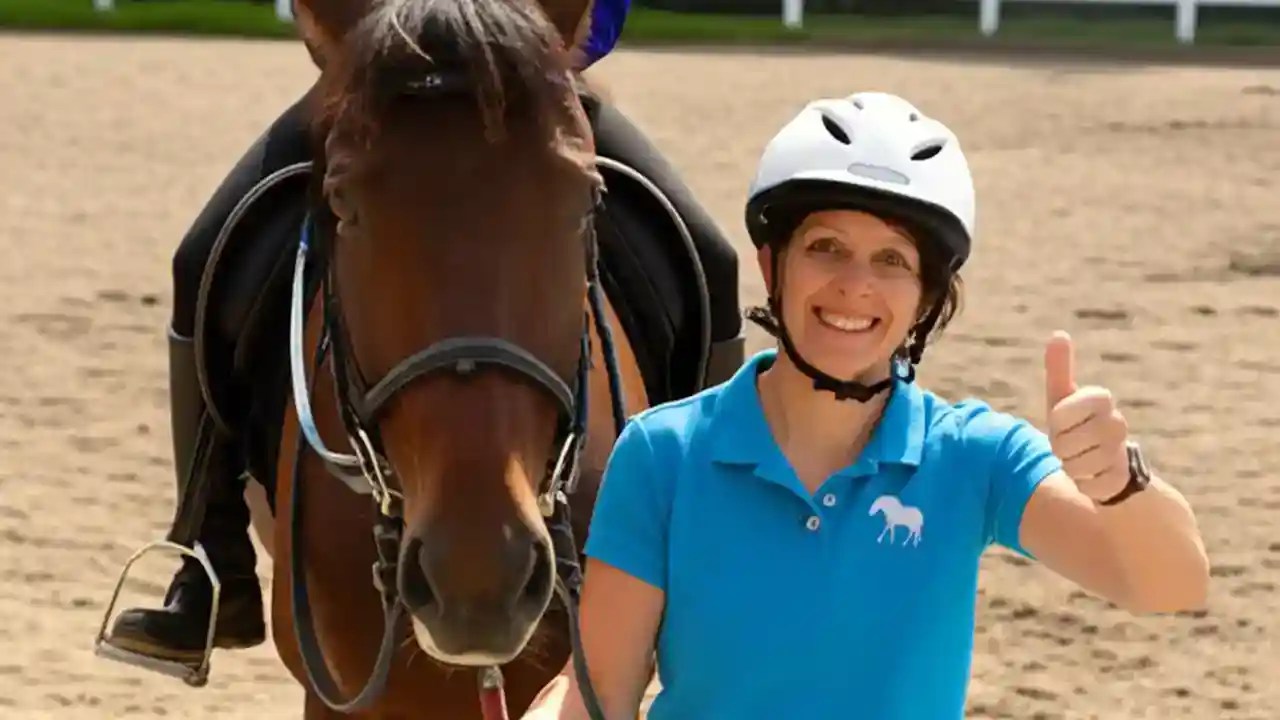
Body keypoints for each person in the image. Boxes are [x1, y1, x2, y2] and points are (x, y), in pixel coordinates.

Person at [521, 91, 1211, 719]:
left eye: (892, 261)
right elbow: (603, 689)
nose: (855, 286)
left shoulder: (975, 456)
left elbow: (1168, 583)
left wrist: (1119, 483)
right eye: (826, 247)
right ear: (772, 266)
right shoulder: (661, 454)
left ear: (927, 298)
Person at [105, 0, 745, 666]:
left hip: (526, 76)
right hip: (382, 74)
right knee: (206, 255)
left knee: (706, 259)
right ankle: (209, 561)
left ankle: (713, 560)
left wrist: (532, 43)